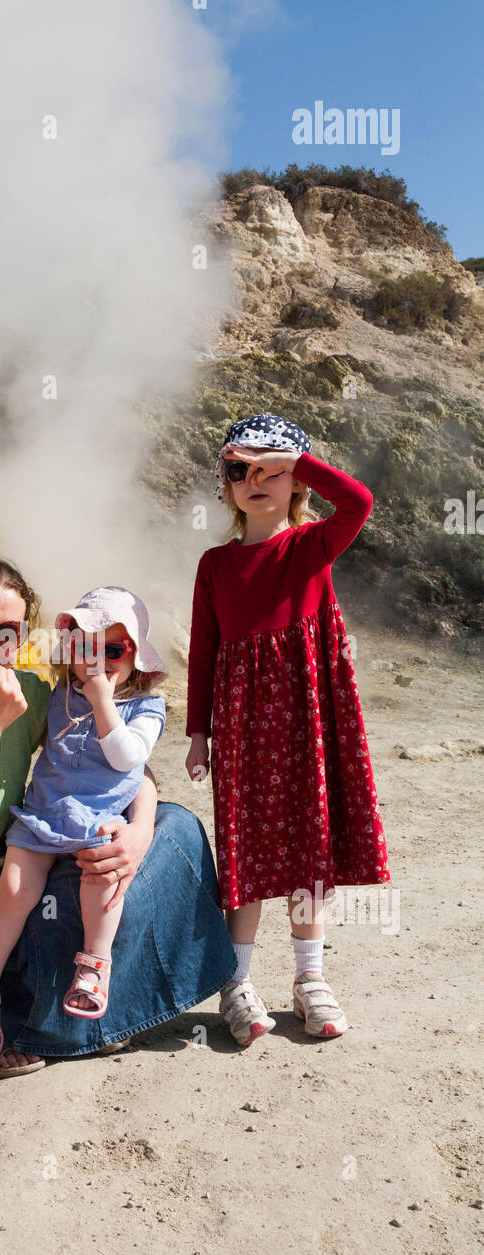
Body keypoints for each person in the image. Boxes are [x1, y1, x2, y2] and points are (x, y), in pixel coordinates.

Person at [0, 556, 236, 1077]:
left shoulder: (34, 695)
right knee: (67, 883)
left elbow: (122, 768)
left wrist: (136, 833)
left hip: (13, 880)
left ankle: (61, 992)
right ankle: (20, 1017)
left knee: (172, 827)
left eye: (8, 634)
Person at [185, 413, 391, 1047]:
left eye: (269, 471)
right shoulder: (216, 564)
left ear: (296, 484)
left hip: (309, 715)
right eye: (239, 470)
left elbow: (359, 500)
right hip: (243, 721)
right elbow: (203, 649)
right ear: (224, 485)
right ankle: (238, 983)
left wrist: (295, 460)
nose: (254, 480)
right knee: (247, 849)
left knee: (309, 846)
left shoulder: (311, 545)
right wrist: (198, 733)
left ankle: (310, 978)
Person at [0, 587, 167, 1057]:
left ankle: (95, 966)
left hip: (100, 818)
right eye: (86, 649)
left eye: (113, 650)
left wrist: (103, 702)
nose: (99, 662)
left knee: (99, 878)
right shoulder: (59, 695)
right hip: (42, 816)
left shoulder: (146, 708)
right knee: (14, 892)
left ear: (135, 655)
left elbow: (128, 759)